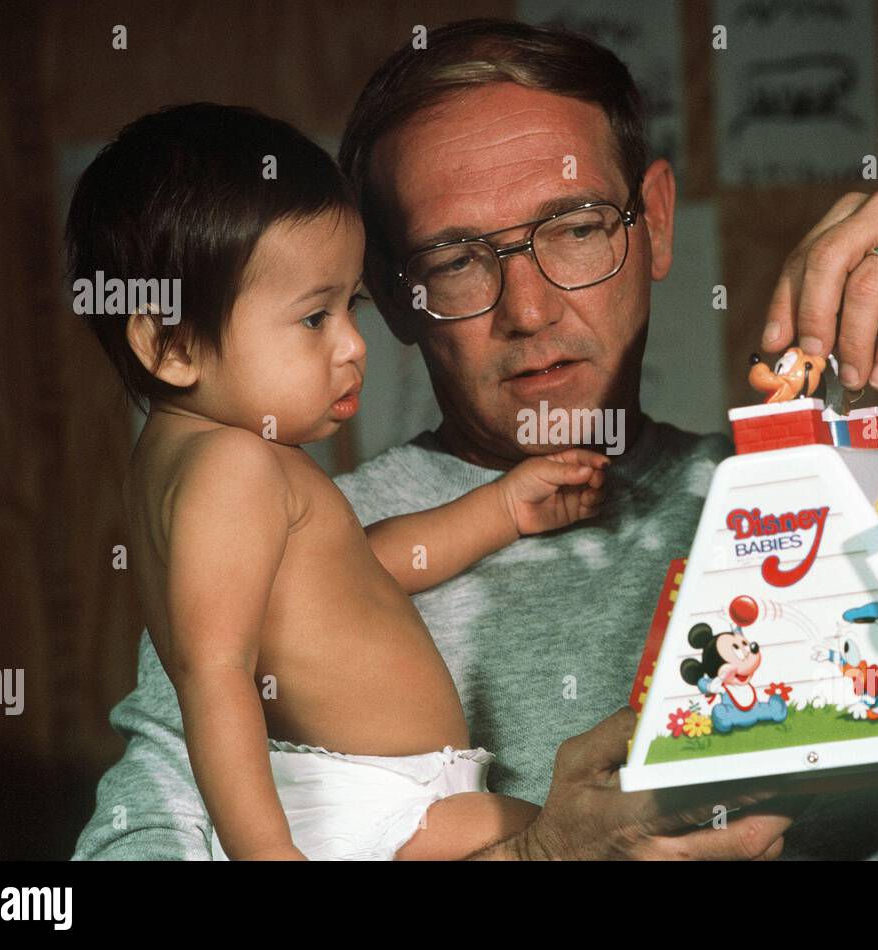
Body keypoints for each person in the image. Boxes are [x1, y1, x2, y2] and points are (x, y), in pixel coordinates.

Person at [74, 19, 878, 862]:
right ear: (393, 289)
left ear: (653, 221)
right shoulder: (284, 536)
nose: (528, 308)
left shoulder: (843, 495)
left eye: (575, 227)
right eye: (458, 259)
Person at [66, 102, 609, 860]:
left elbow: (354, 572)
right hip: (357, 807)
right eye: (314, 318)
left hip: (384, 799)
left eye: (348, 305)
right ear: (174, 345)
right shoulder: (232, 464)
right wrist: (268, 854)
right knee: (595, 841)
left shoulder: (208, 457)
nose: (356, 345)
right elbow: (211, 674)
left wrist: (498, 511)